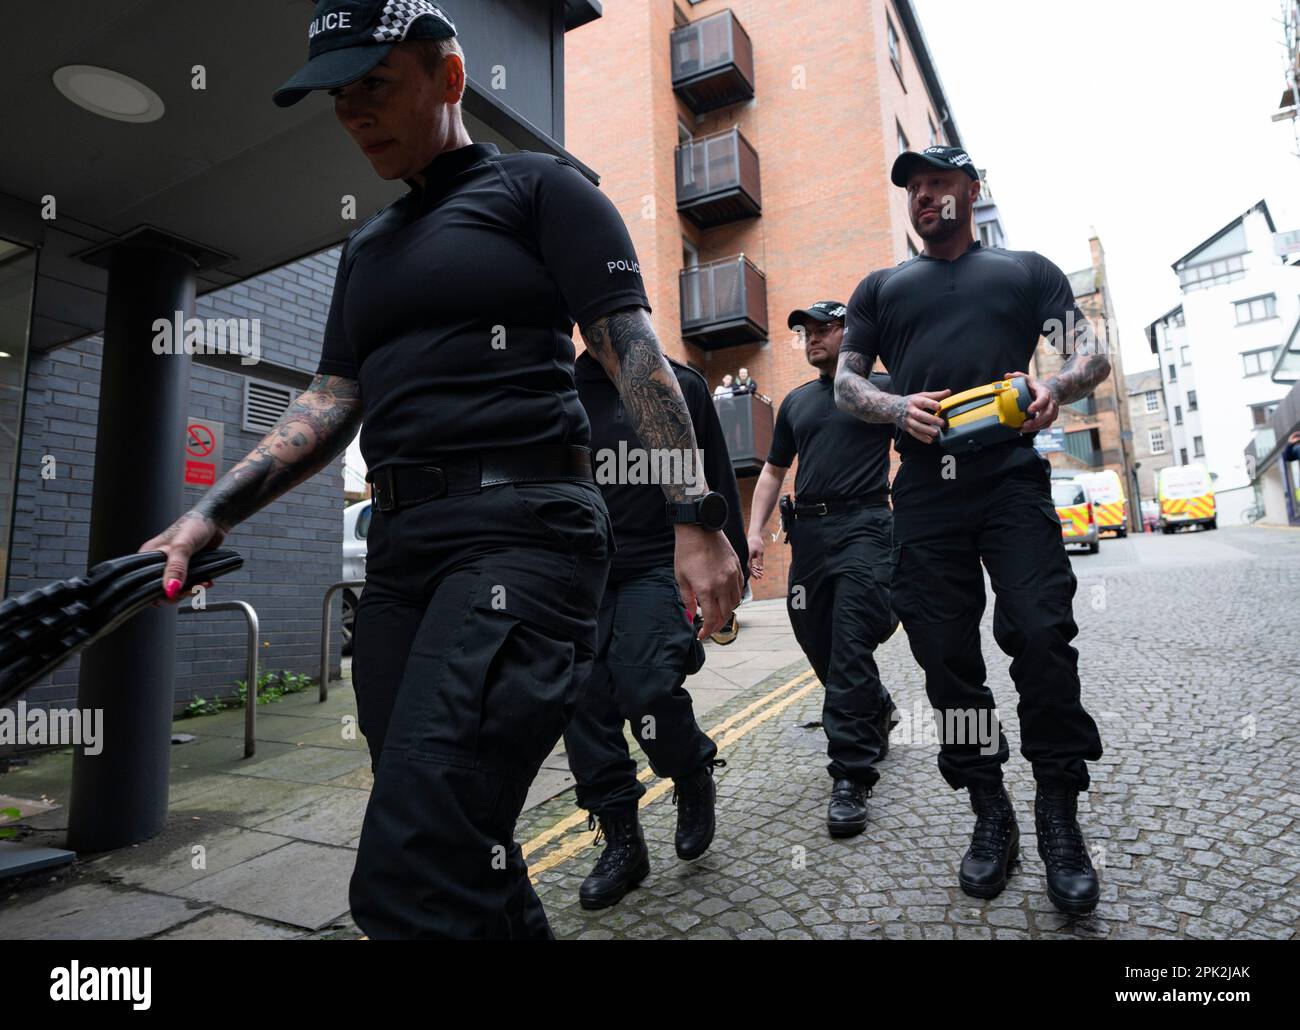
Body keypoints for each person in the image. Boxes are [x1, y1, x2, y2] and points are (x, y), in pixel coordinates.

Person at [139, 0, 741, 939]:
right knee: (457, 837)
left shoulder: (543, 191)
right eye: (338, 98)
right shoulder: (366, 248)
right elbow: (330, 401)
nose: (354, 114)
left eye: (373, 86)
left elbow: (635, 357)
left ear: (448, 75)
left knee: (411, 865)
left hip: (525, 534)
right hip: (405, 552)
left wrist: (697, 521)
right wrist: (208, 513)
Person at [834, 145, 1107, 914]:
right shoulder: (882, 288)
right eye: (914, 187)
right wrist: (897, 408)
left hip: (1012, 481)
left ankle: (1059, 815)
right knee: (946, 658)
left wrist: (1052, 384)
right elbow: (847, 380)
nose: (923, 196)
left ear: (970, 190)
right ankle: (990, 809)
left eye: (937, 183)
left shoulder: (1024, 271)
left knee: (1042, 634)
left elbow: (1092, 351)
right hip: (924, 491)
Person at [565, 350, 750, 909]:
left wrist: (728, 578)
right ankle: (622, 838)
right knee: (579, 700)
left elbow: (715, 479)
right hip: (582, 572)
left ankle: (690, 770)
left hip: (659, 562)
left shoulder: (677, 382)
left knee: (643, 684)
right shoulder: (559, 387)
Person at [747, 300, 900, 838]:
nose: (812, 338)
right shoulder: (795, 403)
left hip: (865, 526)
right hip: (808, 535)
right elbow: (771, 472)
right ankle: (876, 705)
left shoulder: (882, 385)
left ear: (850, 333)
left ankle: (851, 775)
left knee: (850, 642)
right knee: (816, 639)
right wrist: (753, 532)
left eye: (824, 328)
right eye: (805, 332)